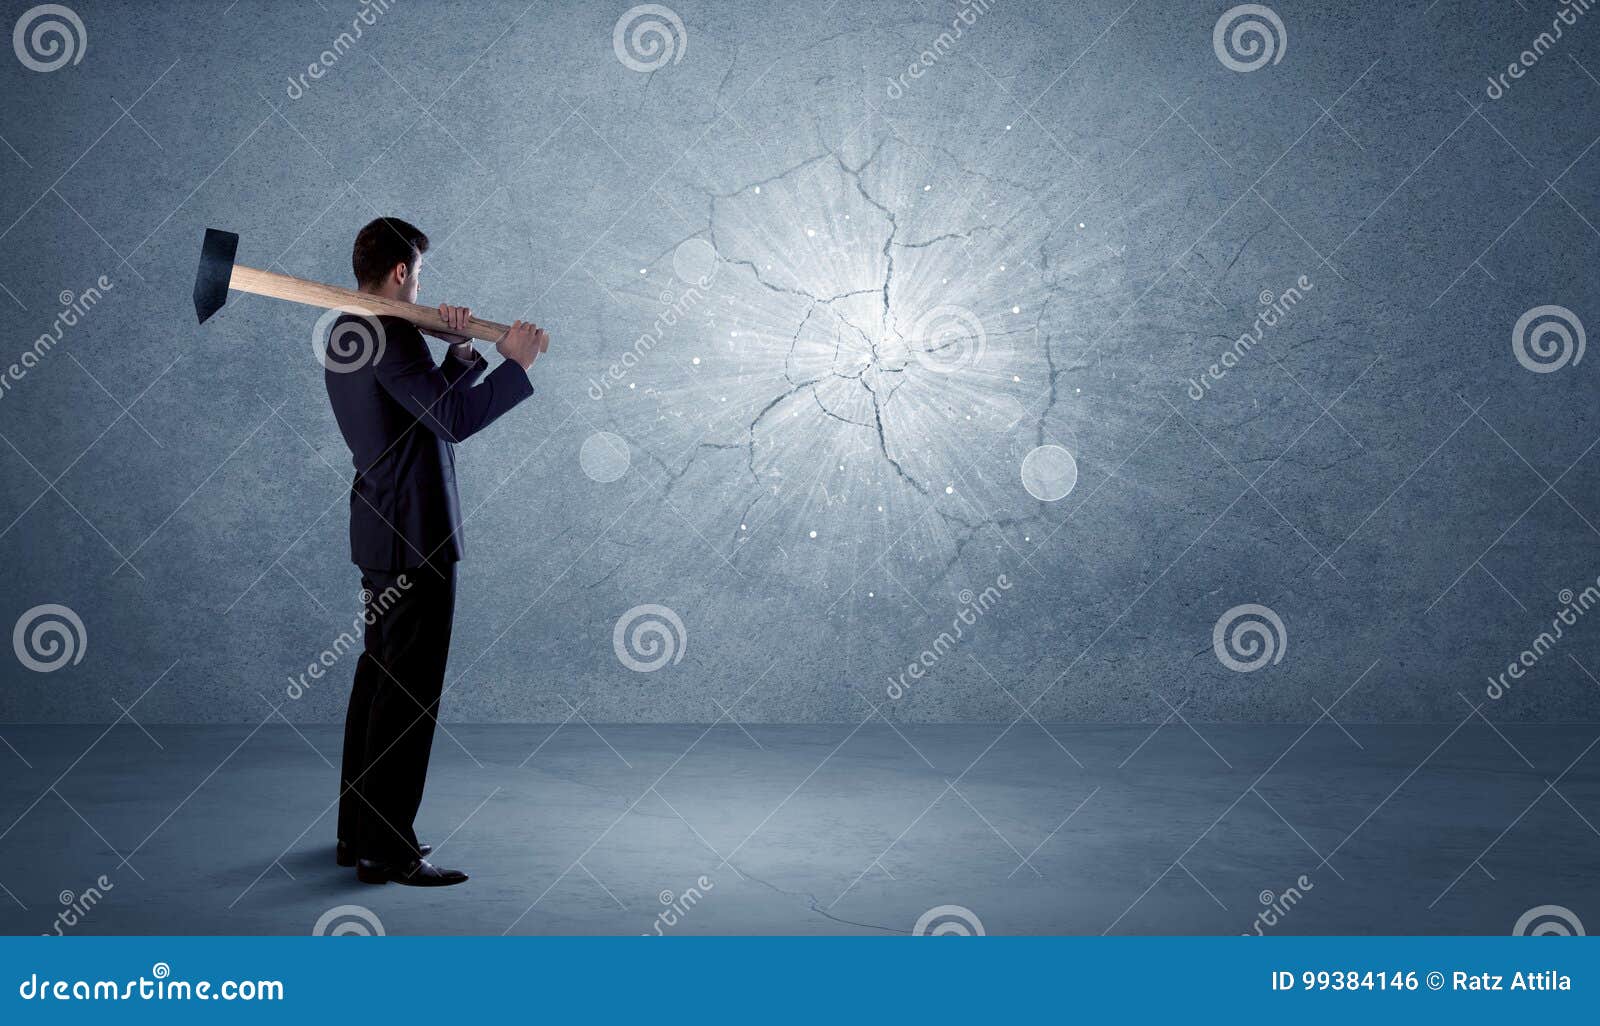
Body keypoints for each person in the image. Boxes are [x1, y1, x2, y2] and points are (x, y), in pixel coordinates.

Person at [323, 217, 547, 886]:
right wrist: (516, 366)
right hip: (413, 537)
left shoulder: (349, 328)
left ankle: (357, 836)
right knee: (406, 699)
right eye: (418, 273)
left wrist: (458, 353)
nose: (421, 284)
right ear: (400, 273)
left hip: (381, 530)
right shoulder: (389, 332)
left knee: (378, 685)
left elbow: (420, 413)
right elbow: (451, 424)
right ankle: (388, 851)